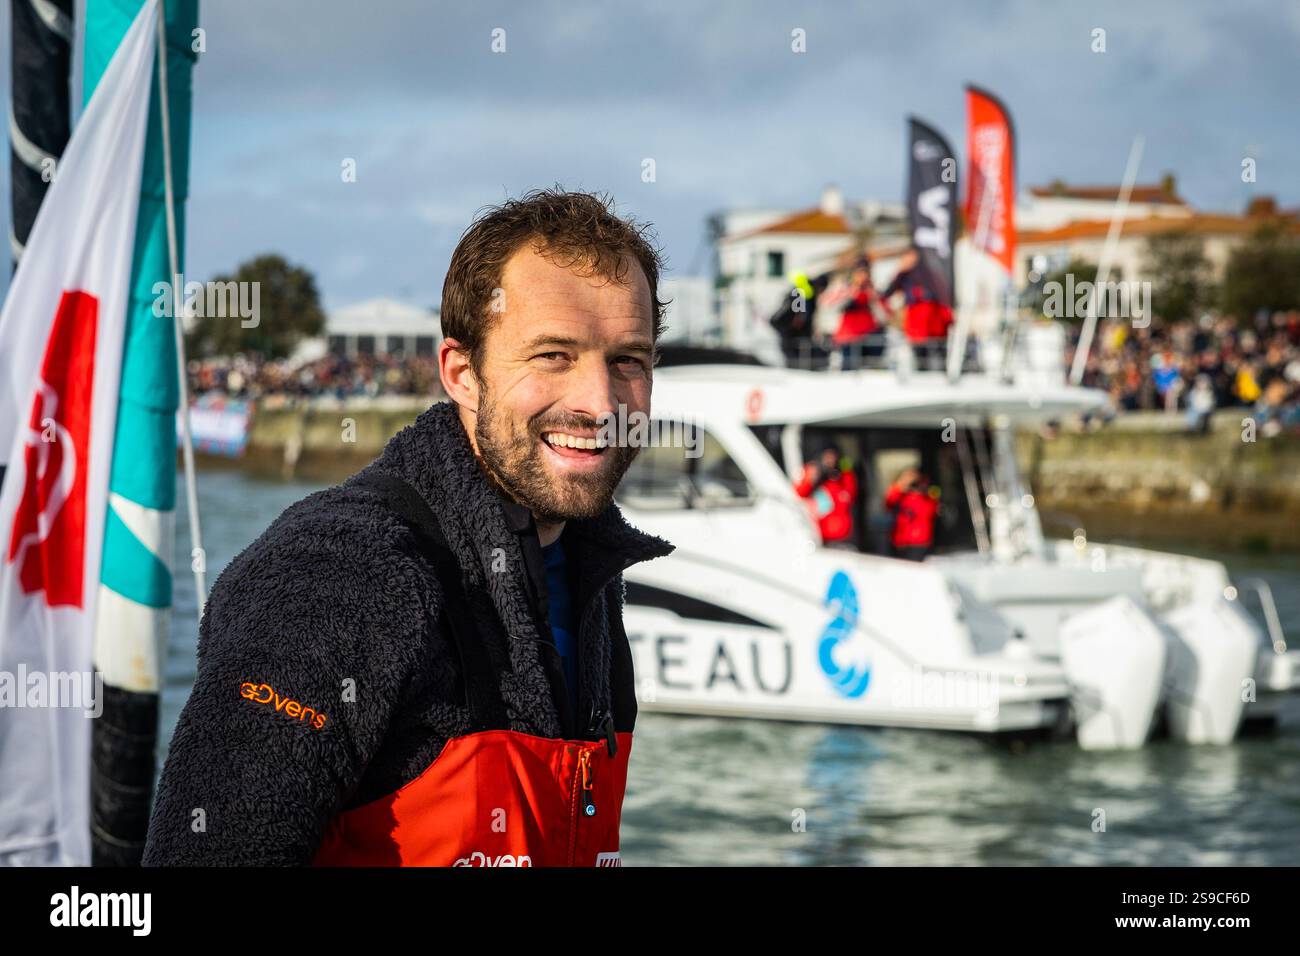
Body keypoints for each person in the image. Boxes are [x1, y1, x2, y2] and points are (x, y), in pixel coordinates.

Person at [142, 189, 675, 866]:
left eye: (627, 360)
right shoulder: (338, 576)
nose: (600, 403)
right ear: (462, 374)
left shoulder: (591, 570)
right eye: (553, 356)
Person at [882, 252, 953, 371]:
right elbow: (887, 292)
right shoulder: (904, 276)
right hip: (916, 325)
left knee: (938, 354)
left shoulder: (932, 273)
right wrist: (899, 271)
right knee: (920, 357)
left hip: (934, 323)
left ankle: (941, 372)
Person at [795, 444, 858, 549]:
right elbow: (798, 493)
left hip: (843, 536)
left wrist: (845, 469)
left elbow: (851, 495)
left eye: (833, 457)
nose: (830, 461)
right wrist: (810, 478)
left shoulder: (842, 479)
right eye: (827, 457)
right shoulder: (815, 478)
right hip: (820, 536)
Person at [831, 257, 889, 370]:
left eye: (865, 272)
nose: (862, 276)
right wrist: (851, 296)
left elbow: (884, 315)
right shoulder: (844, 289)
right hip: (848, 338)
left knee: (871, 370)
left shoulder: (874, 292)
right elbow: (832, 307)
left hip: (869, 337)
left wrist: (873, 299)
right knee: (849, 370)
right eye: (859, 272)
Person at [770, 271, 830, 368]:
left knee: (794, 357)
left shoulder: (802, 291)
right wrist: (800, 321)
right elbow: (800, 316)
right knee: (795, 358)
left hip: (789, 331)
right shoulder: (805, 293)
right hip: (791, 332)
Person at [884, 468, 939, 561]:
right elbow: (889, 500)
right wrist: (902, 482)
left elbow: (933, 507)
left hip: (919, 543)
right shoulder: (902, 497)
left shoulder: (927, 499)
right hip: (900, 543)